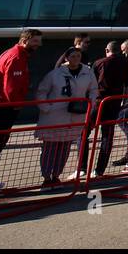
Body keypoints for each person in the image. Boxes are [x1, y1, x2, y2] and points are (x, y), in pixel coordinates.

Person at [0, 28, 42, 196]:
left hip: (0, 105)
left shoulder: (12, 54)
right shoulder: (16, 57)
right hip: (4, 107)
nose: (38, 45)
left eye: (39, 42)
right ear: (25, 40)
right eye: (35, 41)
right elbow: (11, 87)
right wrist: (16, 105)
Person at [35, 47, 98, 187]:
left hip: (75, 116)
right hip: (54, 117)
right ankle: (46, 178)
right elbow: (41, 91)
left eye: (78, 56)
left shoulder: (88, 73)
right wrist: (47, 108)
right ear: (66, 58)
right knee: (49, 149)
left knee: (64, 149)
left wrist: (90, 104)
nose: (76, 59)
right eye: (73, 56)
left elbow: (94, 90)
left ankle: (56, 176)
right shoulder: (55, 74)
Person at [92, 40, 128, 178]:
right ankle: (100, 170)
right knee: (107, 136)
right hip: (114, 102)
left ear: (106, 50)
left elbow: (91, 84)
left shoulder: (99, 63)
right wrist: (126, 102)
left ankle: (83, 167)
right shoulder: (126, 63)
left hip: (98, 102)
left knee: (84, 133)